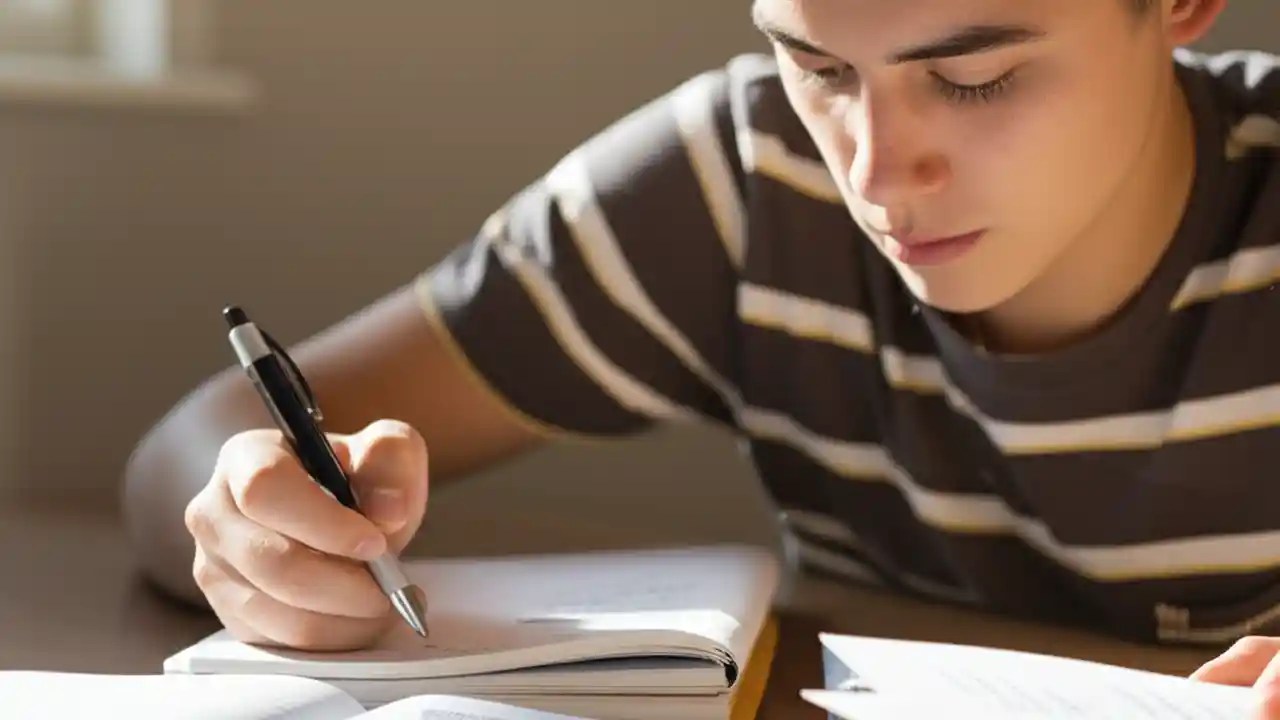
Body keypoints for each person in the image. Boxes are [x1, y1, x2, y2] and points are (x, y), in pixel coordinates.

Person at [123, 0, 1280, 711]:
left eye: (973, 78)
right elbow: (191, 439)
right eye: (819, 68)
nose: (872, 176)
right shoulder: (740, 186)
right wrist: (257, 528)